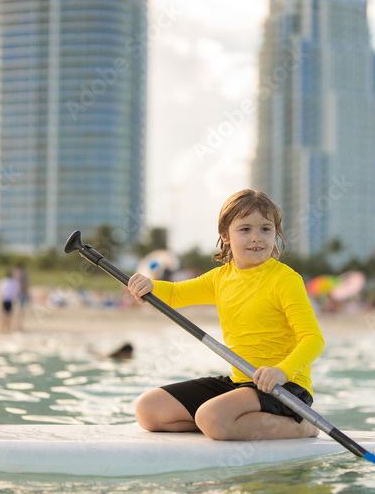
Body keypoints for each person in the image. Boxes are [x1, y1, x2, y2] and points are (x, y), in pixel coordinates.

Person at [127, 189, 323, 441]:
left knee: (211, 417)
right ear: (225, 236)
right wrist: (150, 285)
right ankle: (225, 423)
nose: (256, 238)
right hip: (242, 383)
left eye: (266, 229)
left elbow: (313, 339)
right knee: (149, 410)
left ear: (276, 233)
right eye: (245, 229)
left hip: (285, 388)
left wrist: (281, 371)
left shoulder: (285, 280)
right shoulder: (221, 278)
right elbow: (175, 294)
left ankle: (302, 426)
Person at [0, 269, 19, 334]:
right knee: (8, 315)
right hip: (10, 299)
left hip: (5, 299)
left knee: (4, 314)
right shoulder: (14, 282)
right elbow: (16, 291)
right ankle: (6, 328)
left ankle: (2, 328)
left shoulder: (3, 281)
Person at [14, 264, 30, 331]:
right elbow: (27, 285)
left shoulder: (16, 275)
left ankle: (17, 325)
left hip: (17, 294)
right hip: (21, 294)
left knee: (18, 310)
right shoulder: (23, 275)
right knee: (20, 310)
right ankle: (18, 326)